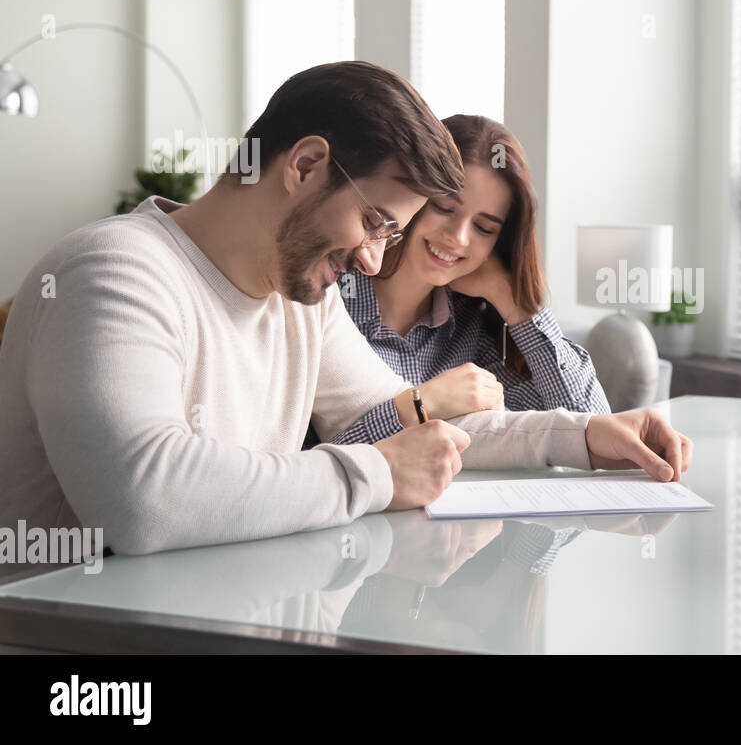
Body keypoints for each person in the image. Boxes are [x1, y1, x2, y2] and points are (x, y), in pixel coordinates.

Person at [0, 60, 691, 558]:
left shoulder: (299, 299)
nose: (370, 258)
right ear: (303, 165)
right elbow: (143, 502)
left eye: (388, 234)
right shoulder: (111, 272)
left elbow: (430, 426)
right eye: (374, 221)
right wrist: (380, 472)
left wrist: (585, 436)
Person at [330, 114, 608, 449]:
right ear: (412, 197)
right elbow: (311, 457)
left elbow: (592, 426)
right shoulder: (329, 298)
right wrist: (423, 404)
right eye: (445, 208)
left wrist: (513, 300)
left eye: (484, 228)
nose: (457, 238)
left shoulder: (475, 331)